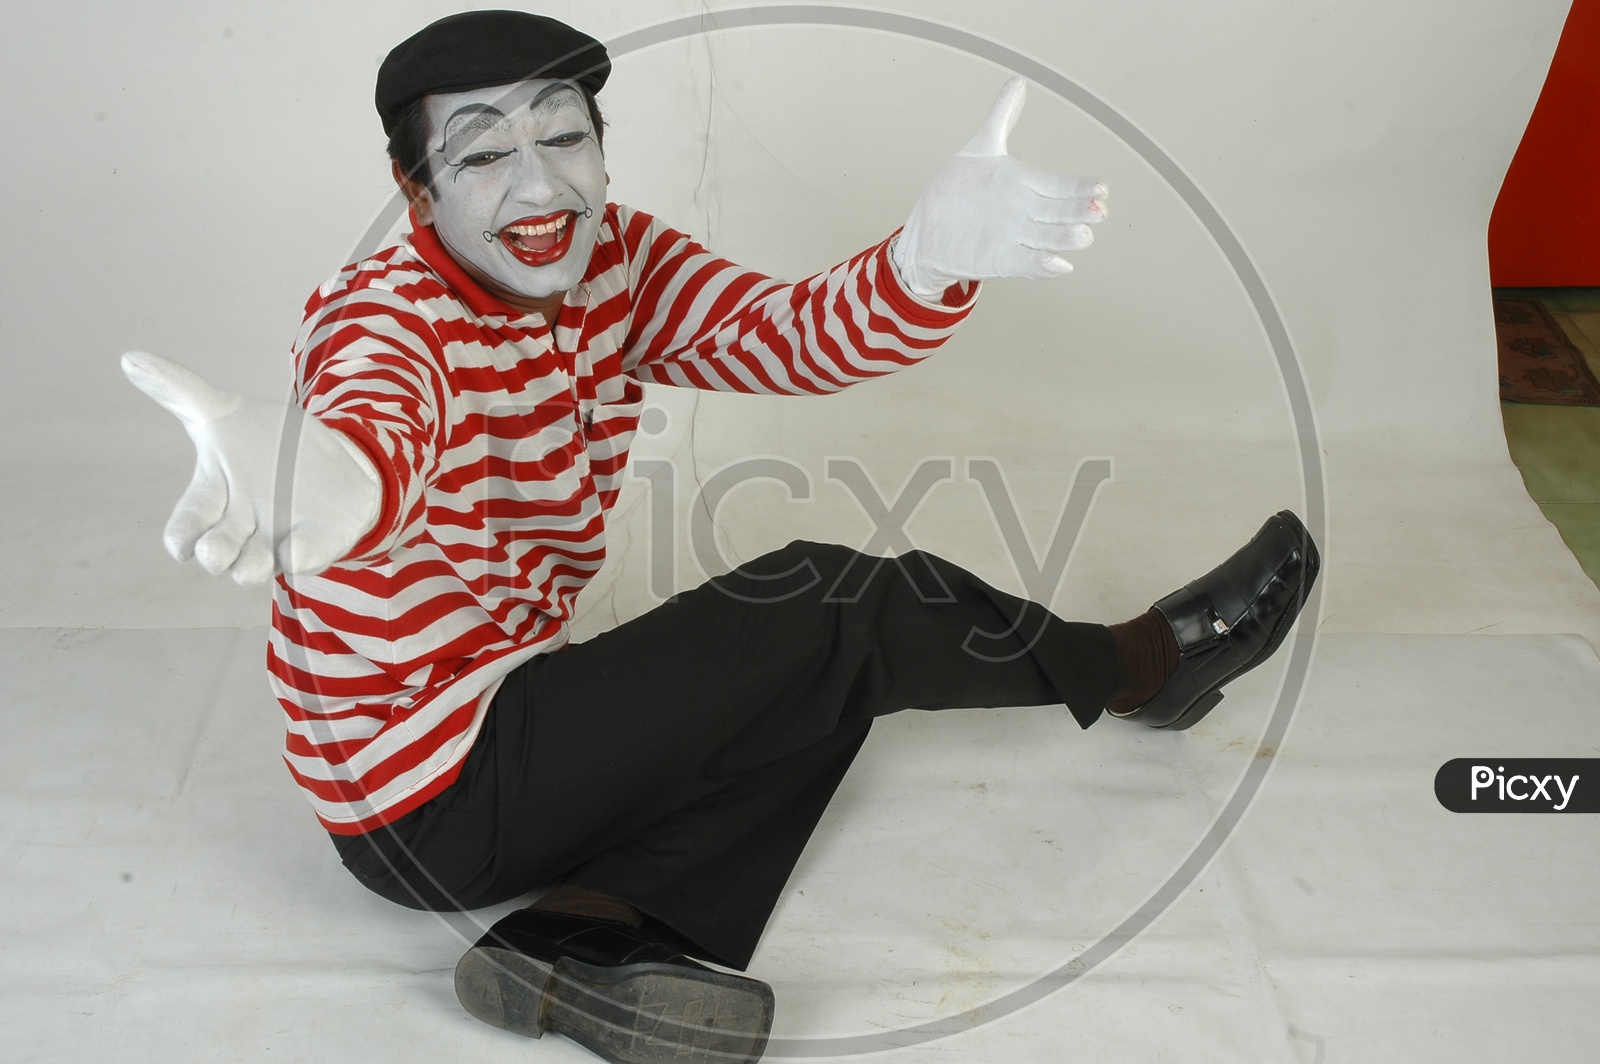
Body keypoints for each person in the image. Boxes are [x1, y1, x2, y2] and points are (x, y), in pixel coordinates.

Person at [121, 11, 1319, 1064]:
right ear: (417, 188)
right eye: (481, 154)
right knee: (828, 602)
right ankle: (1140, 664)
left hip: (511, 714)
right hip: (420, 795)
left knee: (822, 681)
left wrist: (925, 260)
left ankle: (576, 939)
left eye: (563, 136)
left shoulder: (616, 261)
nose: (537, 186)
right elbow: (369, 424)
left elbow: (780, 337)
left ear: (601, 145)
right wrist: (330, 488)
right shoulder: (384, 320)